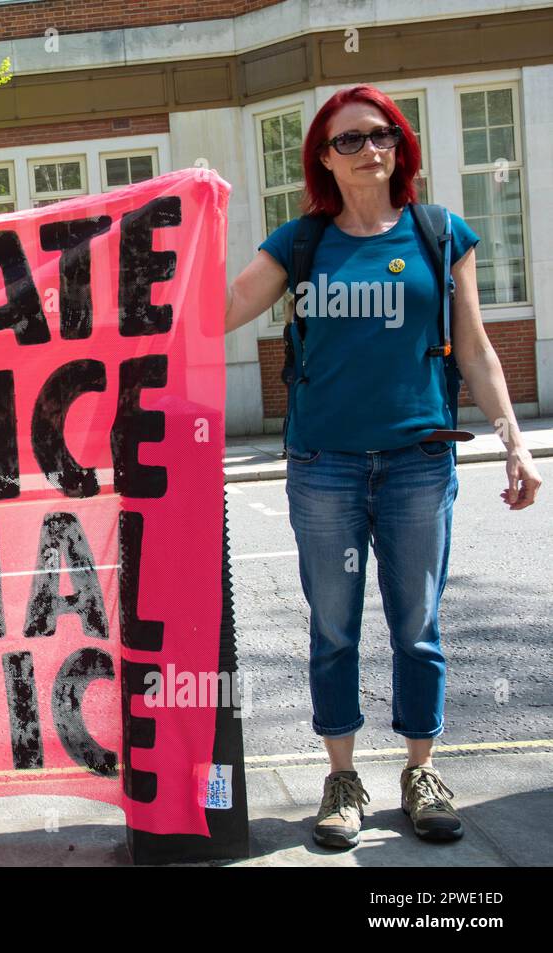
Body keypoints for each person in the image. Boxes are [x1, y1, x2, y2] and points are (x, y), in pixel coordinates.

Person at [224, 84, 541, 849]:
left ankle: (421, 771)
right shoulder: (298, 245)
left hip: (418, 462)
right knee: (333, 629)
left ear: (399, 146)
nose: (371, 149)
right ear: (324, 160)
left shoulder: (439, 234)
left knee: (417, 628)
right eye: (350, 140)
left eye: (383, 135)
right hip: (324, 465)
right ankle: (341, 778)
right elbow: (216, 311)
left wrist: (514, 437)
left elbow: (475, 346)